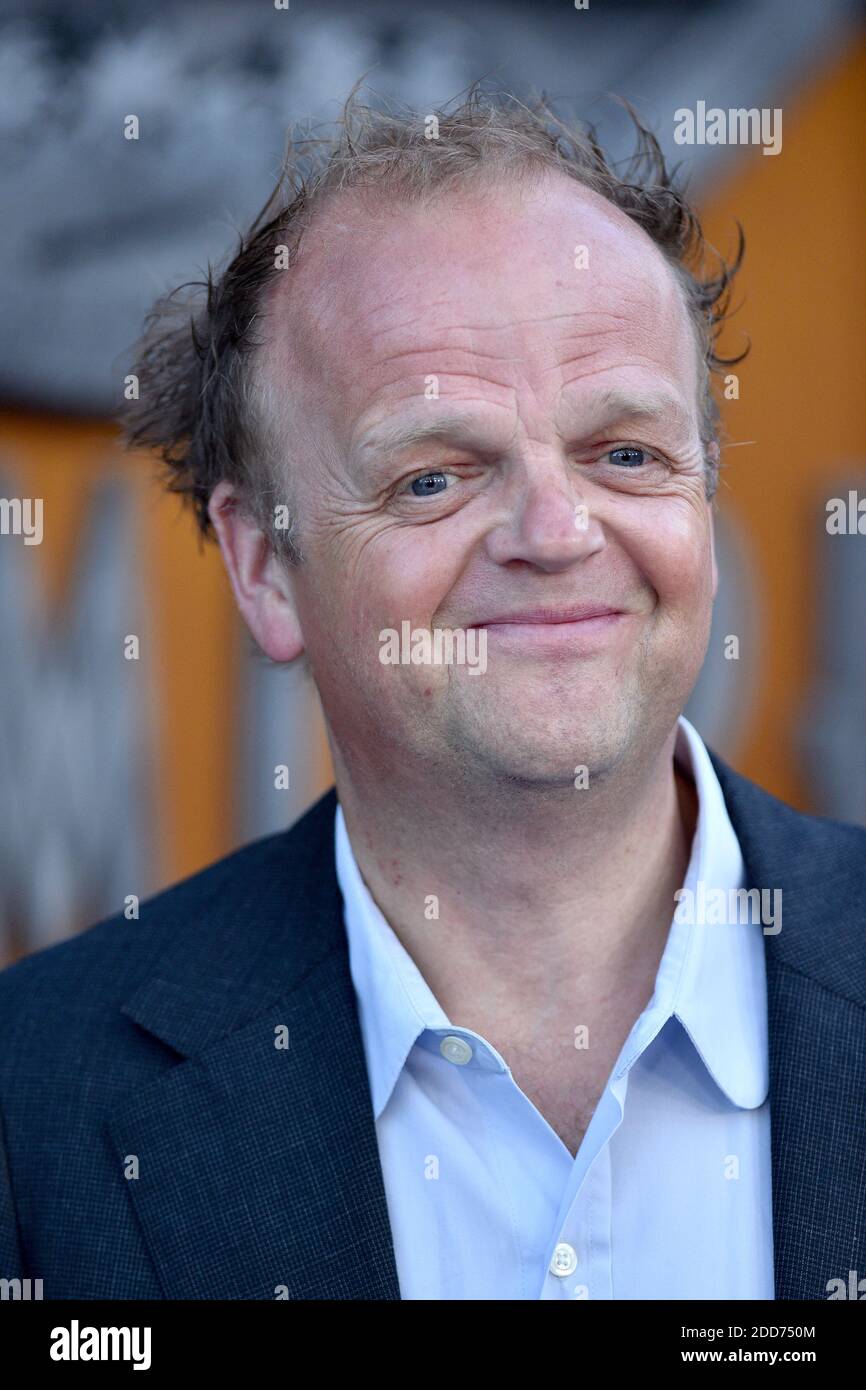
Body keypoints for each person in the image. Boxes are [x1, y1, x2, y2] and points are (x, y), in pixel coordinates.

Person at [1, 90, 863, 1302]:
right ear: (264, 567)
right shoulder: (32, 1101)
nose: (558, 532)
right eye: (432, 477)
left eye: (625, 452)